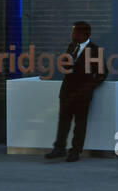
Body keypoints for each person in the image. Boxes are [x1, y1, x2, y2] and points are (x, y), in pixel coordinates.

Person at [45, 20, 107, 162]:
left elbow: (102, 72)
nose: (72, 34)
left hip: (82, 94)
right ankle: (59, 148)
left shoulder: (95, 50)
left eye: (74, 31)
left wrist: (88, 87)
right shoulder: (71, 47)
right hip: (67, 92)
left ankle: (75, 151)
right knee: (63, 122)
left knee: (80, 123)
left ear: (83, 34)